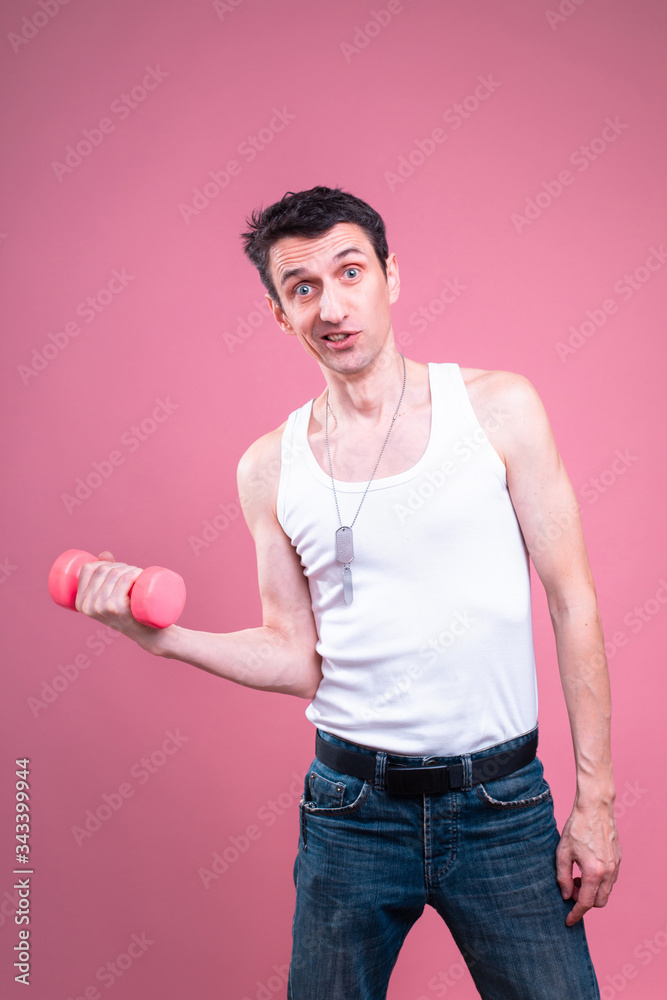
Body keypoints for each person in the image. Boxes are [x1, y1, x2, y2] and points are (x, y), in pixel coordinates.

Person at [75, 185, 621, 999]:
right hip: (350, 813)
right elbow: (294, 658)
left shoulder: (498, 411)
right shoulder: (268, 467)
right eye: (302, 288)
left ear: (390, 277)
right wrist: (159, 638)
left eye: (349, 272)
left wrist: (596, 800)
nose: (332, 305)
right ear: (279, 314)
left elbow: (572, 600)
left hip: (502, 804)